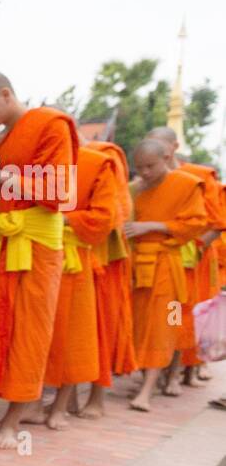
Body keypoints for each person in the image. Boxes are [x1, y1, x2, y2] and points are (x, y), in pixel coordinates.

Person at [0, 70, 77, 448]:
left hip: (37, 248)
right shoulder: (2, 137)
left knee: (29, 333)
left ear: (6, 94)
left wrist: (10, 181)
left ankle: (11, 421)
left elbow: (61, 191)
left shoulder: (50, 124)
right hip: (0, 243)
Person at [24, 142, 121, 428]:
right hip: (34, 251)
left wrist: (62, 218)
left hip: (75, 259)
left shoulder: (96, 164)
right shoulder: (35, 158)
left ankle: (60, 407)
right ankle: (31, 401)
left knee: (71, 335)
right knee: (38, 332)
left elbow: (104, 218)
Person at [126, 139, 208, 412]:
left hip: (169, 271)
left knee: (168, 324)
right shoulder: (136, 189)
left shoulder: (185, 185)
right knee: (140, 325)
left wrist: (152, 225)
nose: (145, 172)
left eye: (150, 166)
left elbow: (197, 223)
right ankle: (150, 377)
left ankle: (150, 389)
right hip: (139, 268)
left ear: (166, 157)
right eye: (140, 167)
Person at [76, 140, 137, 418]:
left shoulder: (104, 158)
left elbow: (113, 215)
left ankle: (97, 396)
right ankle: (66, 399)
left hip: (106, 258)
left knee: (104, 325)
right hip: (70, 253)